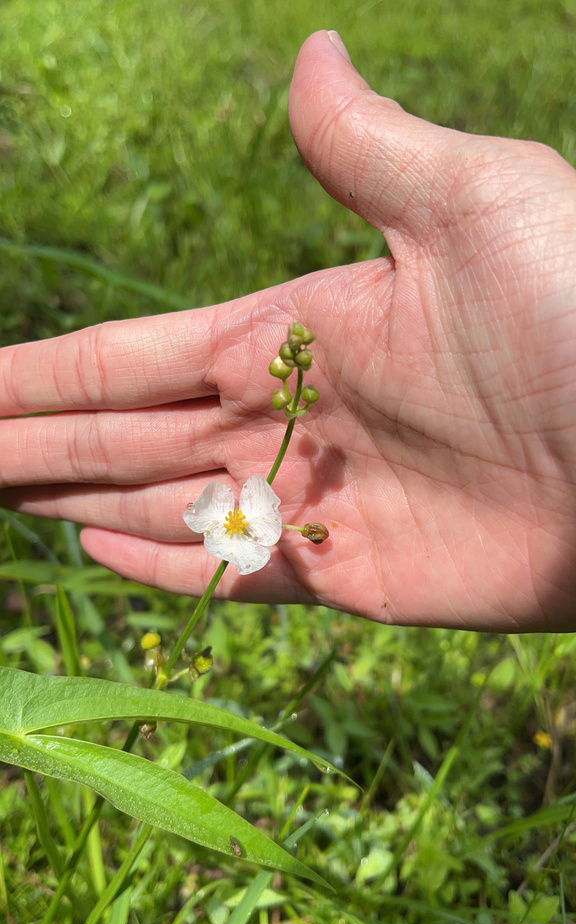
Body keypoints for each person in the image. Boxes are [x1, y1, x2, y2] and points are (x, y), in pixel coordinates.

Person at [1, 30, 575, 632]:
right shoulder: (239, 513)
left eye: (237, 523)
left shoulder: (255, 520)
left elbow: (254, 522)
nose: (234, 525)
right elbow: (232, 519)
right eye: (235, 523)